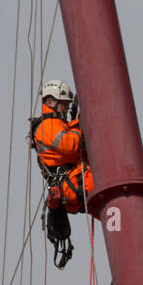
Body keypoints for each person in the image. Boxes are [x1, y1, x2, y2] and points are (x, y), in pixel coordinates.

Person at [29, 79, 93, 269]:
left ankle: (125, 265)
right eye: (63, 104)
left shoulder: (59, 124)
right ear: (50, 102)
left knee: (120, 214)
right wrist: (79, 125)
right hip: (75, 184)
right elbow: (71, 146)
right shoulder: (47, 127)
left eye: (66, 105)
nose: (65, 108)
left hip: (80, 183)